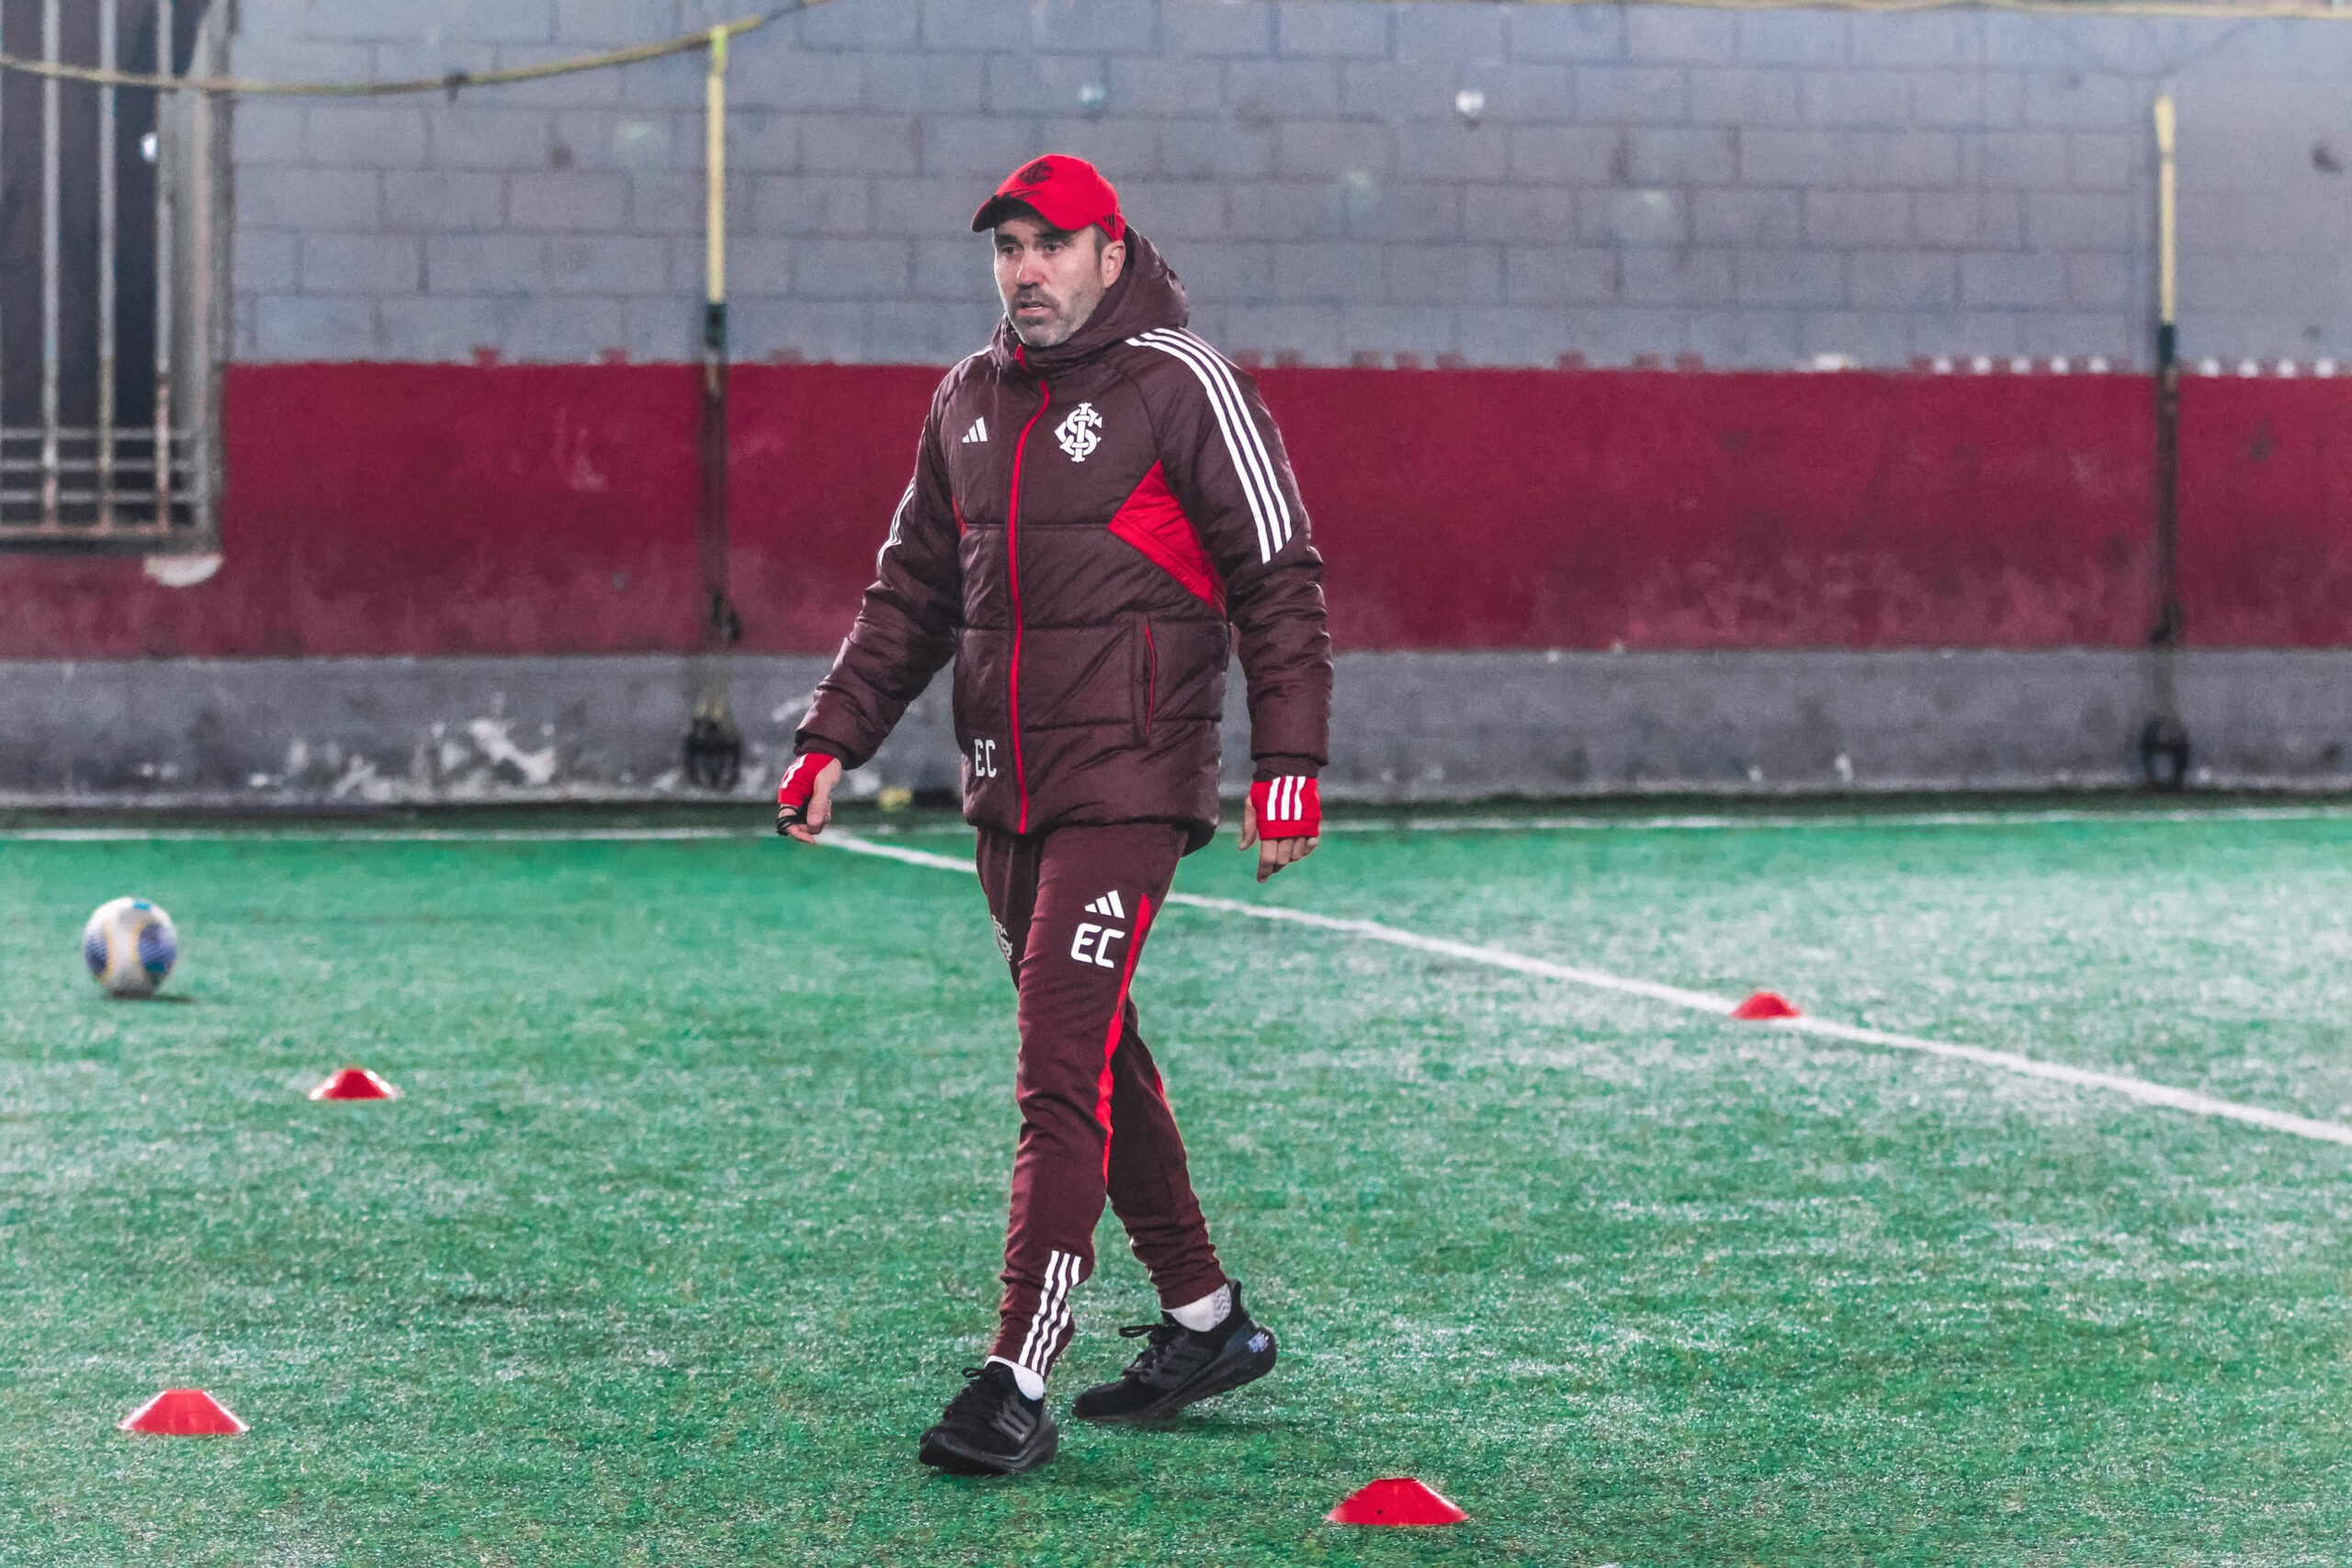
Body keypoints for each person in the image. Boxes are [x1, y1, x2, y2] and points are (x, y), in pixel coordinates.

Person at [773, 153, 1332, 1476]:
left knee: (1055, 1072)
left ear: (1109, 251)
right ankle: (1206, 1318)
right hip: (1007, 791)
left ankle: (1017, 1375)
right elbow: (911, 593)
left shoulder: (1184, 384)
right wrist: (829, 738)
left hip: (1133, 785)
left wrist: (1288, 760)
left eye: (1049, 245)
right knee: (1094, 1058)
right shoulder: (966, 400)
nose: (1024, 271)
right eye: (1007, 249)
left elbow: (1280, 576)